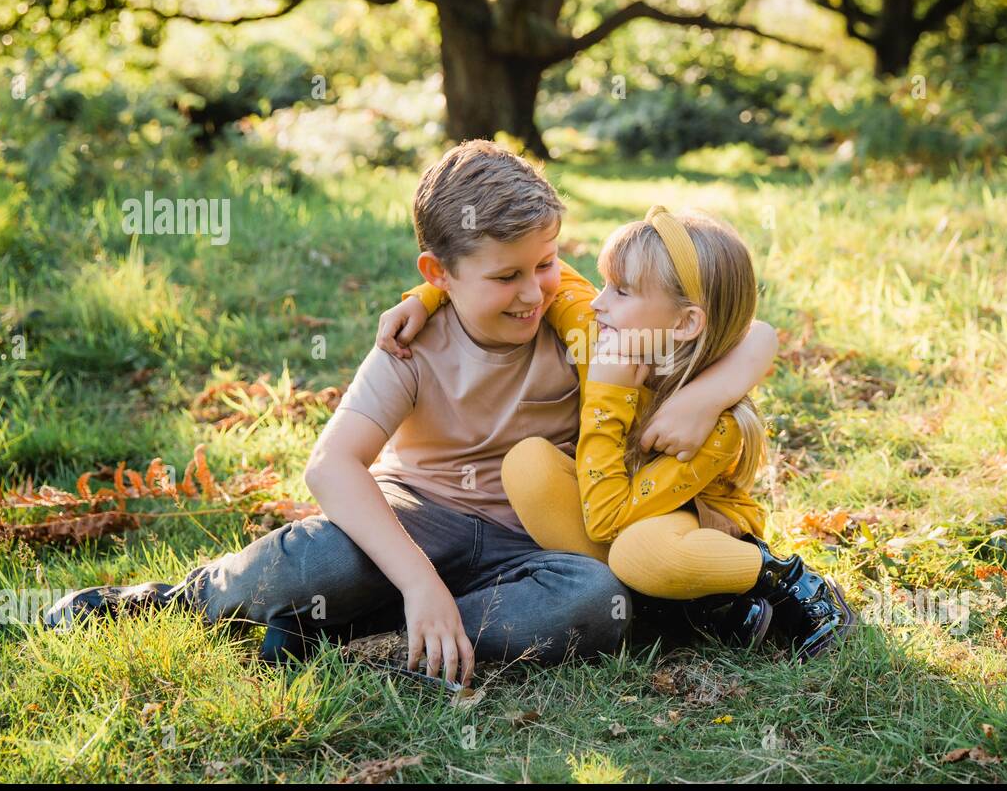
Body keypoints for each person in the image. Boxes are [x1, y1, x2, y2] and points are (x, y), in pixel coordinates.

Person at [44, 141, 777, 685]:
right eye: (505, 276)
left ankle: (377, 637)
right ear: (437, 275)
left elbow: (748, 332)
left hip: (535, 547)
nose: (534, 291)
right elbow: (331, 465)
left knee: (592, 600)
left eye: (547, 261)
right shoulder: (413, 339)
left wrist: (710, 393)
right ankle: (176, 600)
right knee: (326, 556)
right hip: (418, 518)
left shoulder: (584, 325)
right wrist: (420, 580)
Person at [380, 205, 854, 660]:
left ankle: (784, 579)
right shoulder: (599, 325)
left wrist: (609, 394)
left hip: (689, 524)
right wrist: (425, 296)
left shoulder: (713, 428)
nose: (599, 302)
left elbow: (609, 520)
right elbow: (518, 267)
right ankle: (678, 612)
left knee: (641, 550)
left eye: (622, 291)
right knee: (529, 464)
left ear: (686, 323)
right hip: (619, 511)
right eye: (605, 284)